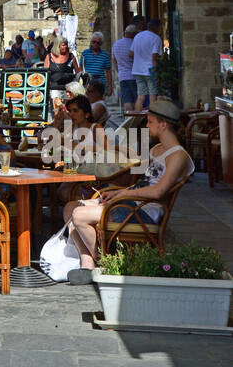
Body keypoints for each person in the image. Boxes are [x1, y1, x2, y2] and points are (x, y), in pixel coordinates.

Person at [62, 98, 195, 282]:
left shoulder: (178, 156)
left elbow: (157, 192)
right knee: (70, 208)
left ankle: (104, 264)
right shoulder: (157, 148)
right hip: (130, 203)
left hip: (144, 212)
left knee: (79, 215)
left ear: (163, 125)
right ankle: (88, 264)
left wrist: (123, 193)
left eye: (150, 122)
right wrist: (117, 192)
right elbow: (143, 182)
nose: (147, 126)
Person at [131, 18, 163, 110]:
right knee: (152, 96)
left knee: (140, 96)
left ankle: (137, 119)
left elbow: (131, 53)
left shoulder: (138, 36)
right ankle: (152, 119)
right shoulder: (156, 38)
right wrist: (156, 75)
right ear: (157, 28)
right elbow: (154, 58)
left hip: (137, 70)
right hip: (149, 71)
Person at [111, 24, 138, 113]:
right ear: (133, 34)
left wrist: (119, 71)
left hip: (122, 76)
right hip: (134, 76)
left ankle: (129, 119)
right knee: (137, 99)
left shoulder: (116, 44)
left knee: (127, 100)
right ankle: (137, 120)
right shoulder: (134, 43)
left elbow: (114, 60)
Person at [44, 37, 79, 103]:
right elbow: (45, 74)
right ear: (57, 46)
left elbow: (77, 72)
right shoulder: (49, 57)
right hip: (54, 89)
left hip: (68, 90)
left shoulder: (71, 56)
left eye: (66, 44)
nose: (66, 46)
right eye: (63, 45)